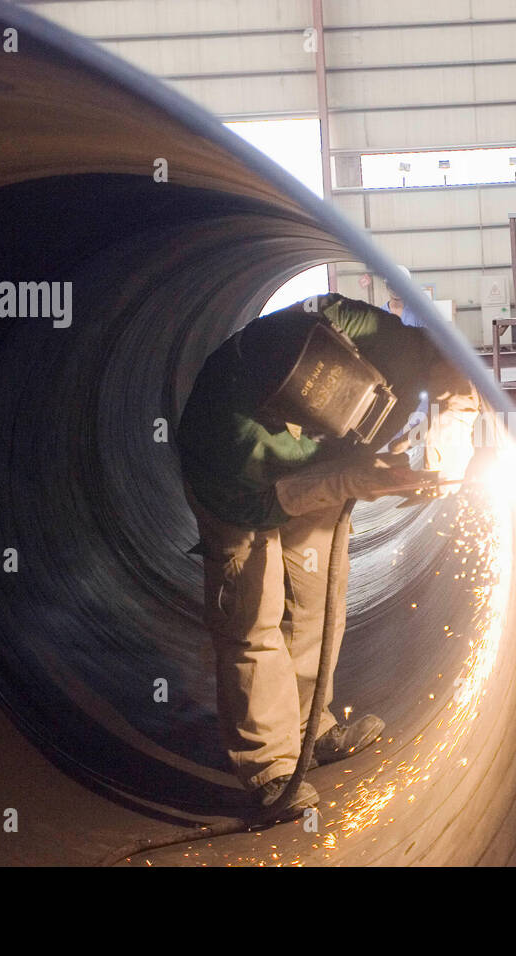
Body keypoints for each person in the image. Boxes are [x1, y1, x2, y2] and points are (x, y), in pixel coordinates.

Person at [177, 293, 479, 819]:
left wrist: (453, 422)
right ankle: (270, 767)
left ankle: (308, 730)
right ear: (277, 409)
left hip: (330, 466)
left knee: (316, 601)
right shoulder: (229, 437)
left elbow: (443, 355)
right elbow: (266, 502)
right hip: (253, 493)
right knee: (253, 617)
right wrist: (358, 479)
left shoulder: (346, 324)